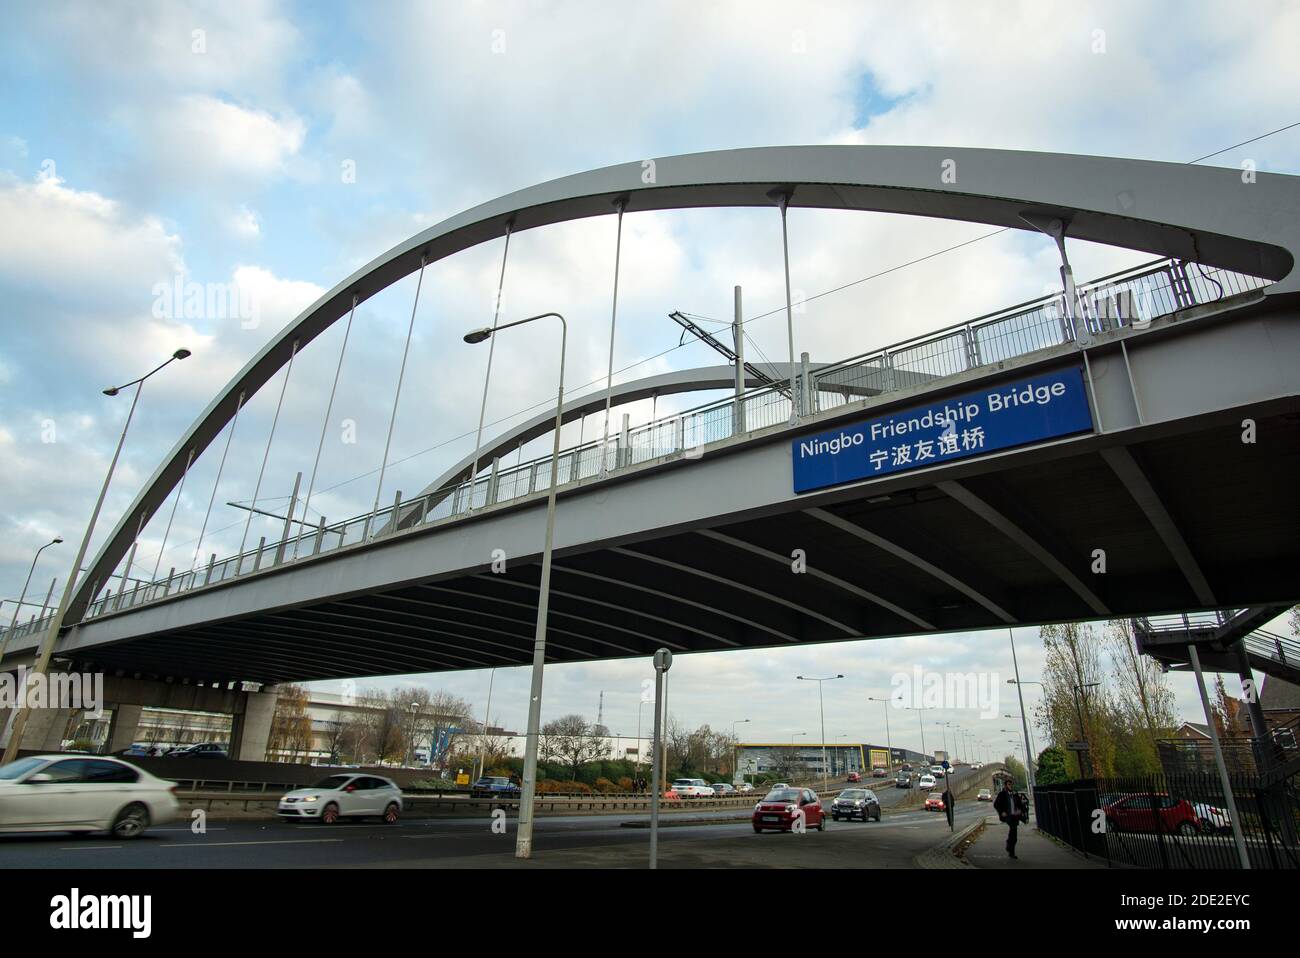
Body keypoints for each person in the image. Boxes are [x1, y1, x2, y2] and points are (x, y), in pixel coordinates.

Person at [992, 778, 1027, 859]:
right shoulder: (1002, 794)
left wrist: (1020, 811)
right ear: (1005, 786)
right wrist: (1002, 812)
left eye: (1011, 785)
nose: (1010, 786)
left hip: (1015, 816)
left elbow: (1020, 805)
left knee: (1013, 834)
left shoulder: (1015, 794)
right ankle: (1011, 851)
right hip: (1008, 816)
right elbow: (996, 804)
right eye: (1009, 785)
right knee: (1013, 831)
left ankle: (1009, 847)